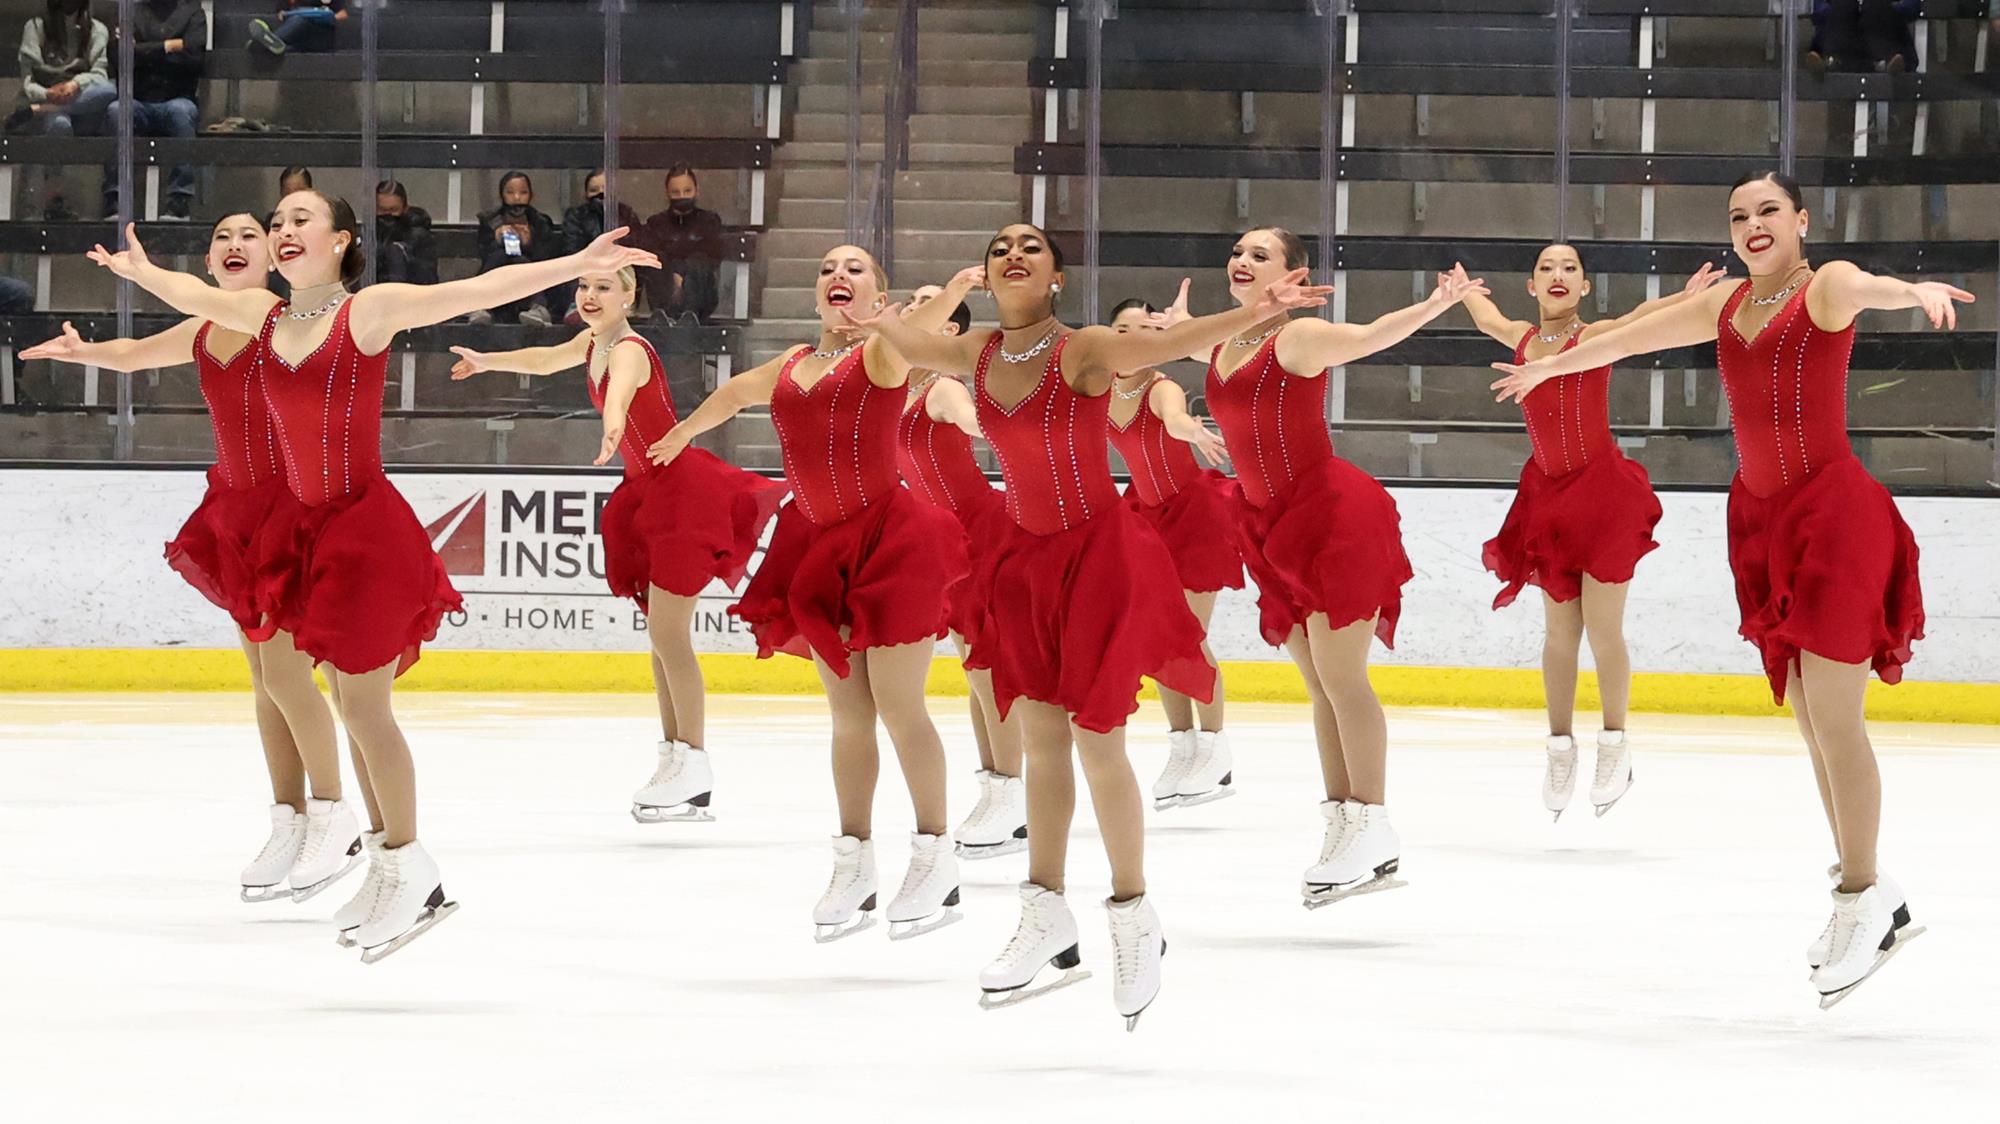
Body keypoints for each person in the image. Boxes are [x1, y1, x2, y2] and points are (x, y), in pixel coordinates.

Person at [85, 194, 658, 961]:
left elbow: (477, 289)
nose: (284, 232)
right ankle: (387, 863)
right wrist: (142, 272)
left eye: (301, 221)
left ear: (341, 240)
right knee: (349, 705)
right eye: (278, 223)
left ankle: (413, 865)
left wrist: (576, 264)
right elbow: (192, 295)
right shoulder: (262, 315)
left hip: (363, 530)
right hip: (307, 533)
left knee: (366, 708)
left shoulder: (368, 312)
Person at [1491, 170, 1968, 1007]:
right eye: (1739, 215)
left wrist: (1913, 290)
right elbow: (1624, 341)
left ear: (1800, 220)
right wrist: (1548, 371)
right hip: (1764, 520)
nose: (1753, 224)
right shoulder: (1725, 305)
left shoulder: (1824, 287)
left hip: (1833, 515)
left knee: (1837, 720)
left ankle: (1863, 898)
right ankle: (1864, 887)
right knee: (1813, 720)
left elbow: (1871, 287)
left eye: (1768, 210)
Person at [849, 222, 1330, 1029]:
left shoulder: (1085, 349)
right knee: (1041, 743)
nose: (1013, 253)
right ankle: (1046, 914)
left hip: (1097, 557)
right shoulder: (976, 355)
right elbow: (910, 342)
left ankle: (1134, 914)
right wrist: (878, 318)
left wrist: (1257, 313)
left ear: (1056, 279)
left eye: (1031, 247)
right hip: (1024, 563)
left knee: (1097, 741)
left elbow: (1174, 343)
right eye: (1001, 247)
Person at [21, 212, 361, 909]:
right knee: (264, 680)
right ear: (208, 261)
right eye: (222, 238)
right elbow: (134, 354)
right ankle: (289, 819)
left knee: (288, 674)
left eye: (250, 235)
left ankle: (335, 815)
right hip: (234, 514)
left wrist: (145, 274)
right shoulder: (204, 330)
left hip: (289, 509)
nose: (235, 245)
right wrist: (82, 352)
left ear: (275, 258)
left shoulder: (278, 321)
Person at [646, 246, 973, 945]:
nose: (837, 276)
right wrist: (682, 432)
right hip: (824, 550)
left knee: (899, 706)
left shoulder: (881, 352)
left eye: (855, 269)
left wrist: (945, 296)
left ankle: (934, 856)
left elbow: (925, 328)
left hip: (893, 545)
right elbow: (734, 395)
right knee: (849, 715)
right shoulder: (792, 364)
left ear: (878, 297)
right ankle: (855, 863)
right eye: (827, 268)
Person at [1153, 228, 1484, 910]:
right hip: (1270, 528)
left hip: (1331, 521)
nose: (1242, 262)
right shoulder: (1226, 342)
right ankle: (1343, 820)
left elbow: (1369, 336)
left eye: (1261, 255)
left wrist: (1433, 305)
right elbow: (1184, 346)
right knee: (1318, 685)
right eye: (1238, 253)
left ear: (1294, 274)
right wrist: (1178, 326)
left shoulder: (1296, 339)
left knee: (1342, 679)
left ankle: (1374, 820)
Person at [447, 269, 785, 823]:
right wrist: (488, 361)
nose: (590, 295)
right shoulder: (592, 342)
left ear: (630, 297)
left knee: (669, 635)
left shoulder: (628, 349)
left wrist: (611, 424)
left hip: (680, 494)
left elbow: (622, 391)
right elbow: (545, 359)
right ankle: (676, 758)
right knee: (660, 636)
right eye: (585, 286)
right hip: (649, 492)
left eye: (605, 287)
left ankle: (694, 761)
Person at [1459, 248, 1721, 820]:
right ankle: (1559, 748)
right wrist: (1465, 290)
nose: (1558, 275)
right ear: (1531, 285)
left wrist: (1683, 298)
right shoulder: (1523, 339)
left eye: (1570, 268)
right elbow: (1488, 319)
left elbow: (1639, 320)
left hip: (1603, 497)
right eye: (1546, 268)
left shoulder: (1594, 337)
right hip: (1548, 501)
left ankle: (1614, 744)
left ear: (1584, 286)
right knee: (1559, 633)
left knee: (1603, 629)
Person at [891, 276, 1029, 860]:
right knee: (974, 669)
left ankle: (1011, 794)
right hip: (941, 540)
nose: (915, 310)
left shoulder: (943, 388)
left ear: (948, 329)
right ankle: (997, 787)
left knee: (987, 667)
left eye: (927, 304)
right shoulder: (898, 387)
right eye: (915, 302)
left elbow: (980, 425)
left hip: (977, 532)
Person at [1099, 297, 1243, 813]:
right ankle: (1182, 749)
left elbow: (1176, 419)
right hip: (1144, 516)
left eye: (1145, 330)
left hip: (1193, 516)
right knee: (1154, 640)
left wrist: (1193, 430)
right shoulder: (1101, 389)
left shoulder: (1161, 387)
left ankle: (1215, 748)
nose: (1133, 338)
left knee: (1187, 635)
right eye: (1123, 329)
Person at [10, 1, 112, 220]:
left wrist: (75, 84)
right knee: (59, 124)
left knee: (110, 90)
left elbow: (100, 75)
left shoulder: (97, 29)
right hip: (47, 99)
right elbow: (28, 79)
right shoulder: (35, 27)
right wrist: (47, 94)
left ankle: (37, 110)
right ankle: (53, 200)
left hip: (82, 101)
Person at [105, 0, 206, 221]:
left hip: (177, 97)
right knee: (116, 111)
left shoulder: (193, 13)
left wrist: (141, 50)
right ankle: (116, 197)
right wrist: (168, 47)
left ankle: (179, 200)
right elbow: (118, 56)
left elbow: (195, 59)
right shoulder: (130, 12)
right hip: (135, 99)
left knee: (182, 113)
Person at [469, 171, 561, 327]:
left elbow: (547, 258)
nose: (517, 197)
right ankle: (481, 306)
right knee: (502, 255)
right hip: (498, 281)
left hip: (531, 280)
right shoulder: (490, 221)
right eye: (510, 192)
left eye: (523, 192)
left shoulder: (540, 222)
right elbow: (484, 255)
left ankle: (537, 307)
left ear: (531, 195)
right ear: (501, 195)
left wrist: (529, 243)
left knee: (521, 261)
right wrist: (497, 239)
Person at [638, 163, 723, 324]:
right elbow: (653, 253)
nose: (682, 196)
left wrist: (681, 273)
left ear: (697, 190)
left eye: (687, 191)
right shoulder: (655, 223)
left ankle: (691, 316)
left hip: (700, 295)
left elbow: (712, 254)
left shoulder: (709, 221)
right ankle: (664, 316)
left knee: (698, 263)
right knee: (657, 262)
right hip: (664, 290)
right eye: (676, 192)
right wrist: (673, 274)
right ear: (667, 193)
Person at [561, 169, 640, 324]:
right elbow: (571, 248)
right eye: (594, 190)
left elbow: (635, 244)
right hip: (585, 266)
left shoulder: (627, 214)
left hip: (619, 266)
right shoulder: (576, 215)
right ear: (585, 193)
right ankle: (576, 307)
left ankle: (625, 308)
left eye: (606, 189)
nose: (600, 194)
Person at [1807, 0, 1919, 73]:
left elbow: (1912, 7)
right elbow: (1816, 9)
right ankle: (1829, 62)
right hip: (1845, 36)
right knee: (1844, 5)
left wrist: (1889, 8)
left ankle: (1888, 64)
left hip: (1879, 31)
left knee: (1876, 5)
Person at [374, 180, 437, 285]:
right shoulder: (371, 235)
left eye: (393, 210)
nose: (387, 215)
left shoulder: (418, 237)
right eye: (382, 210)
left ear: (405, 208)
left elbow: (425, 277)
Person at [248, 0, 348, 56]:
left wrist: (325, 16)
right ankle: (269, 44)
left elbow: (343, 14)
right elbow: (281, 14)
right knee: (297, 20)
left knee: (299, 20)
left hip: (320, 34)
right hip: (296, 36)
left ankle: (266, 42)